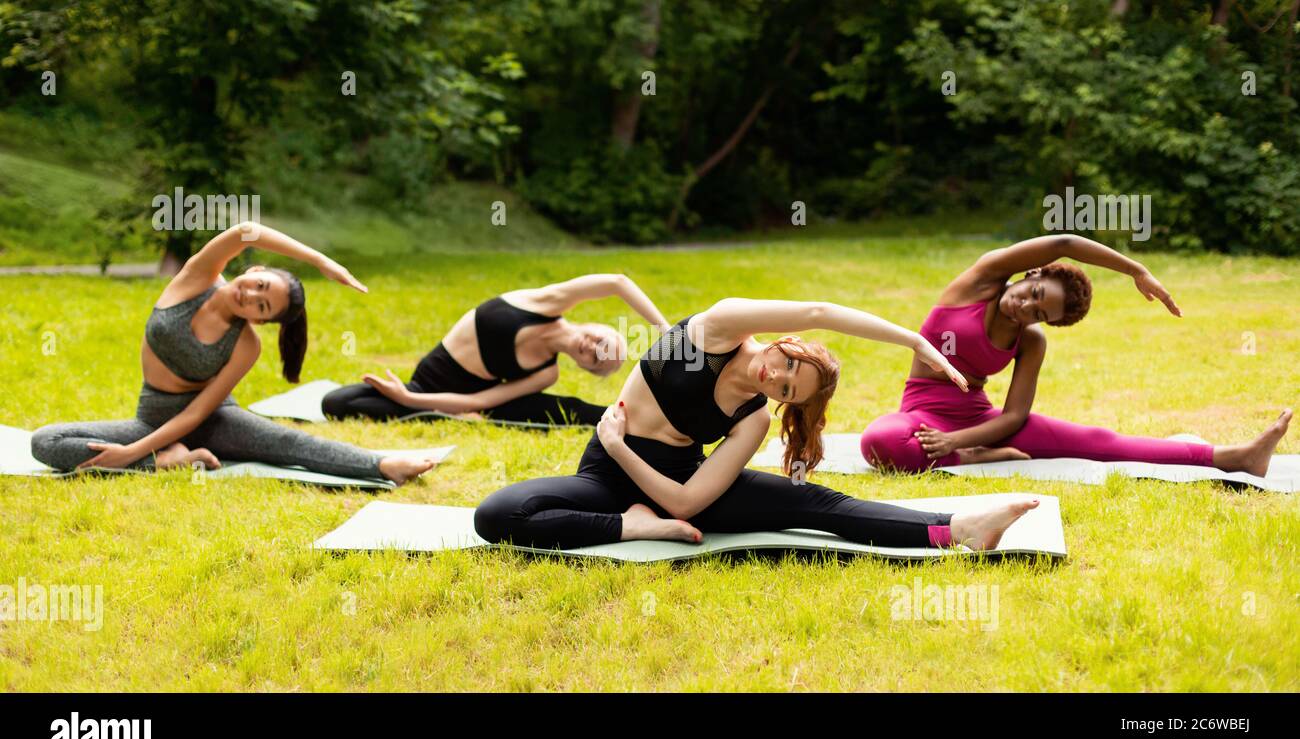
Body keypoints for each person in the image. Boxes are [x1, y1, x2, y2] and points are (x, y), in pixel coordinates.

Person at [475, 297, 1038, 550]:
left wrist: (624, 449)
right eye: (788, 362)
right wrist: (912, 339)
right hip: (603, 478)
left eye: (788, 390)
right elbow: (820, 312)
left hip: (666, 482)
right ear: (786, 344)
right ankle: (635, 528)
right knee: (497, 515)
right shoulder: (717, 329)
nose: (777, 376)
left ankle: (955, 529)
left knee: (818, 506)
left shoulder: (752, 418)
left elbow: (689, 502)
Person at [30, 222, 435, 484]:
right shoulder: (196, 278)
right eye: (260, 287)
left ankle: (382, 465)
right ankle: (168, 461)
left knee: (288, 444)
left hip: (213, 420)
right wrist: (318, 260)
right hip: (153, 417)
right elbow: (246, 230)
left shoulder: (246, 345)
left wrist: (130, 455)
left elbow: (197, 412)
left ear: (260, 321)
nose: (251, 297)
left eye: (263, 307)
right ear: (254, 271)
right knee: (47, 442)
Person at [860, 235, 1292, 474]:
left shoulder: (1031, 341)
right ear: (1032, 274)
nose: (1026, 307)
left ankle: (1233, 457)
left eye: (1040, 313)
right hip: (923, 413)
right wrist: (1136, 270)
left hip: (979, 422)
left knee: (1098, 442)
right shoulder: (982, 281)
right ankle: (976, 459)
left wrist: (956, 440)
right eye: (1033, 294)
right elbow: (1063, 242)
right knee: (880, 441)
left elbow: (1012, 417)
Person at [321, 275, 670, 427]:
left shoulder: (547, 372)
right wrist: (666, 332)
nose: (590, 347)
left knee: (568, 411)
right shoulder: (545, 302)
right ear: (593, 325)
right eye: (599, 339)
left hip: (459, 399)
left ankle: (632, 419)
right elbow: (617, 283)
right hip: (429, 382)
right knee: (335, 402)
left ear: (585, 368)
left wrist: (410, 403)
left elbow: (480, 402)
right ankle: (430, 411)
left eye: (596, 357)